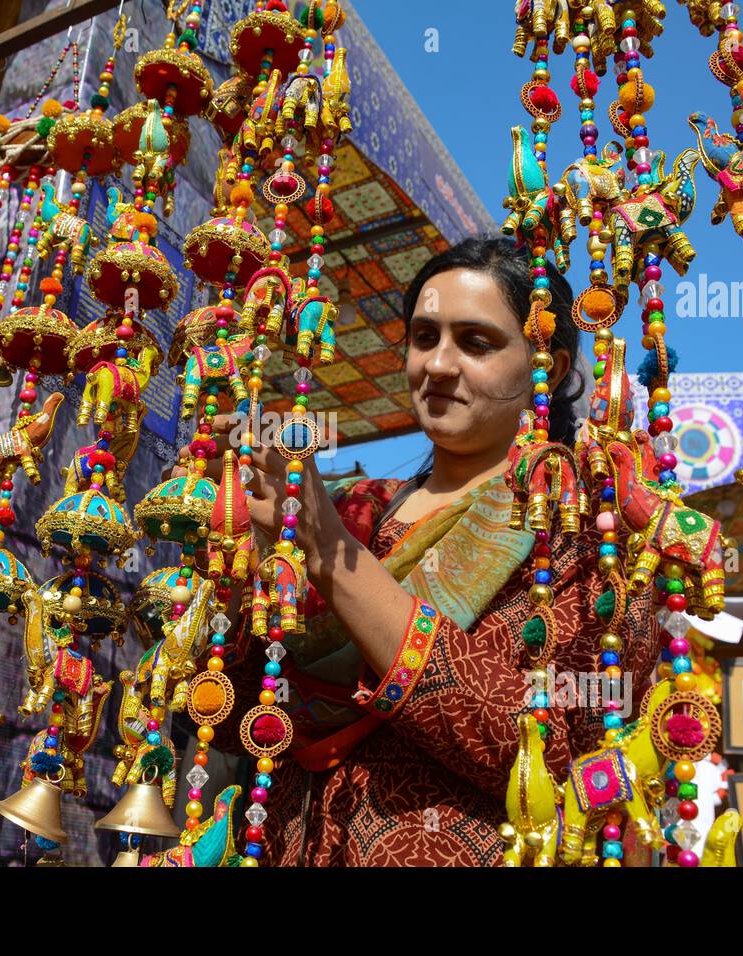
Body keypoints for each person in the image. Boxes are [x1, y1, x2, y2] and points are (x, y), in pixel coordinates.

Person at [172, 236, 661, 865]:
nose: (438, 364)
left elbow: (564, 752)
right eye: (424, 337)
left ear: (551, 367)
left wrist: (333, 558)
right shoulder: (359, 507)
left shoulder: (587, 531)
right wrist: (240, 572)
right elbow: (240, 713)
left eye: (476, 342)